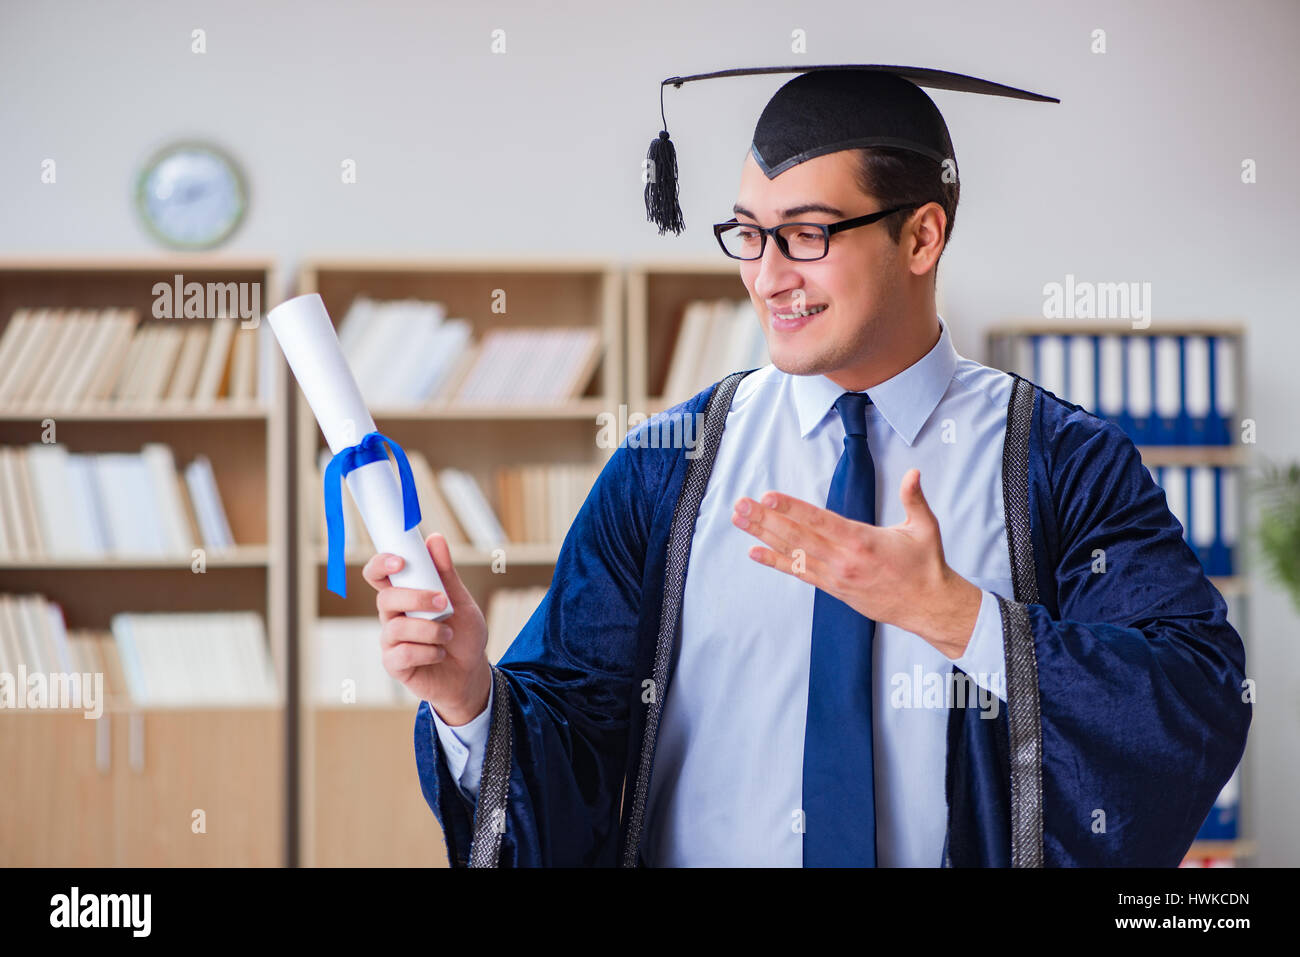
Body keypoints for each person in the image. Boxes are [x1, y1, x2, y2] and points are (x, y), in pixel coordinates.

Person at [364, 65, 1250, 867]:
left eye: (807, 234)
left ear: (921, 237)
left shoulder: (1062, 461)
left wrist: (960, 617)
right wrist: (471, 698)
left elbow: (1193, 700)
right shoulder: (665, 470)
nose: (767, 276)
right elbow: (576, 743)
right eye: (748, 235)